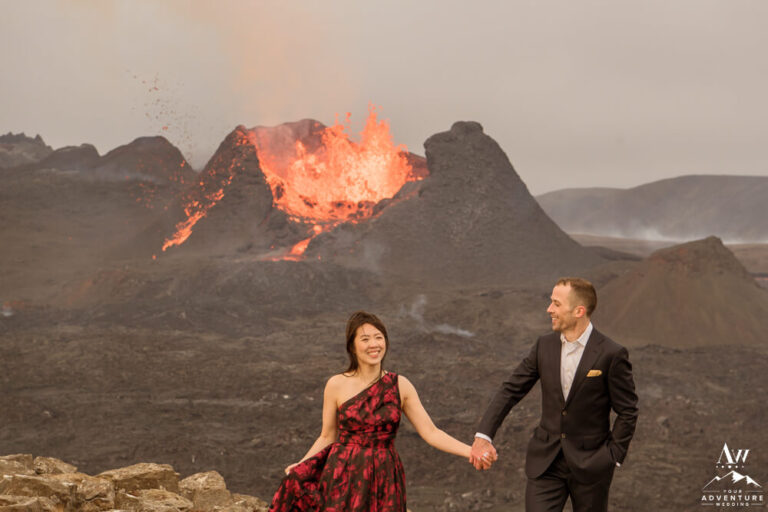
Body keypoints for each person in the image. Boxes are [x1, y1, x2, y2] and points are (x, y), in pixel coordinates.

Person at [269, 310, 485, 512]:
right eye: (365, 339)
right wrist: (303, 464)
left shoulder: (401, 385)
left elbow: (431, 432)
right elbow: (327, 435)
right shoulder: (336, 385)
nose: (373, 344)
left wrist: (470, 452)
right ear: (352, 346)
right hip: (343, 474)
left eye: (378, 337)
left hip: (385, 475)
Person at [469, 277, 638, 512]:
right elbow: (511, 390)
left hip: (592, 465)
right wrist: (483, 435)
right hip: (545, 463)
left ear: (579, 311)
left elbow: (628, 410)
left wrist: (612, 456)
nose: (549, 309)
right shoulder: (543, 346)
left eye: (556, 304)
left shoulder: (612, 353)